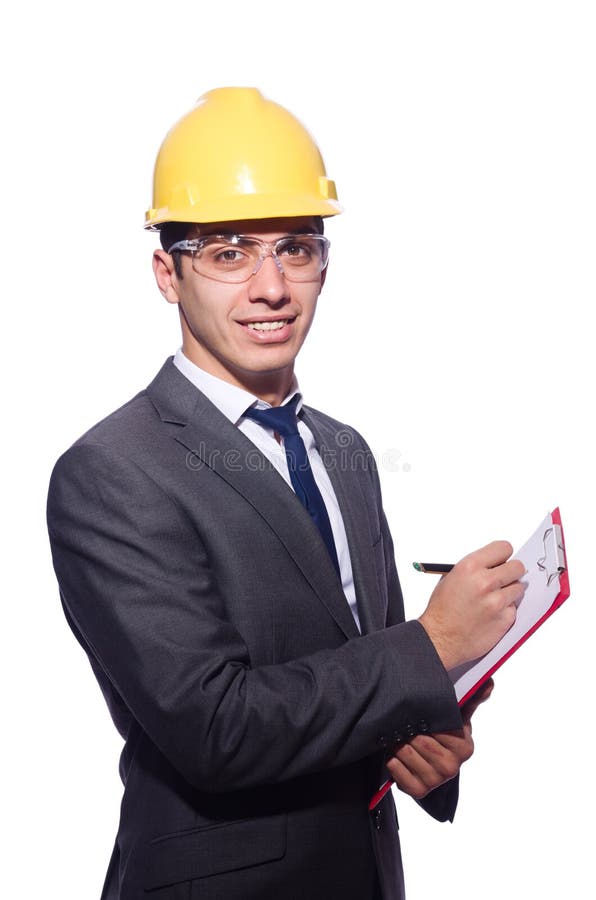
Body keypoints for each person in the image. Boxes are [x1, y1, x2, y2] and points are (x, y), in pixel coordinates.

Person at [47, 87, 524, 900]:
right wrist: (430, 647)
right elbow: (215, 729)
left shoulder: (344, 451)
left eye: (296, 248)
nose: (271, 287)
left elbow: (352, 667)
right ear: (168, 272)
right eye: (230, 252)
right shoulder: (111, 471)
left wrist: (424, 729)